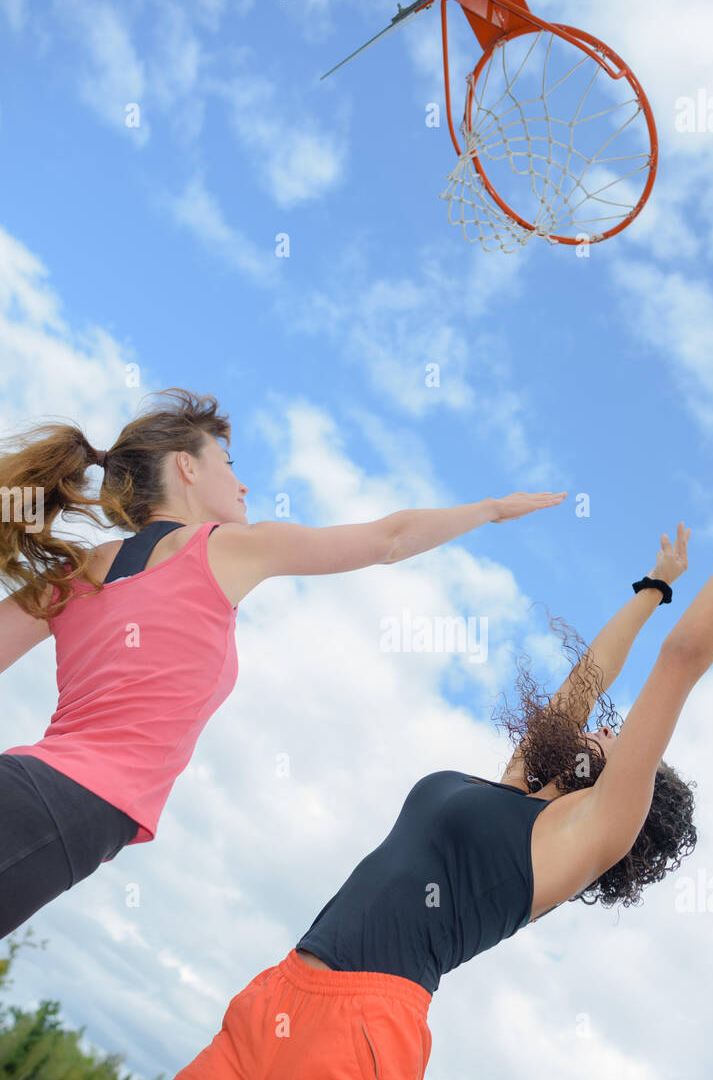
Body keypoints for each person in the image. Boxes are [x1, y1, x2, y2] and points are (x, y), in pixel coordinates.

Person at [96, 466, 713, 1080]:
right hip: (274, 996)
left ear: (622, 777)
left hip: (364, 1038)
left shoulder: (583, 833)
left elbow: (681, 661)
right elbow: (591, 672)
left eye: (614, 739)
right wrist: (655, 584)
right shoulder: (516, 780)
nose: (599, 719)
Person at [0, 387, 566, 933]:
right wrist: (491, 509)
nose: (242, 483)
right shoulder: (220, 547)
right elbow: (390, 539)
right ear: (187, 467)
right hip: (62, 804)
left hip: (37, 791)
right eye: (226, 461)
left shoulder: (76, 572)